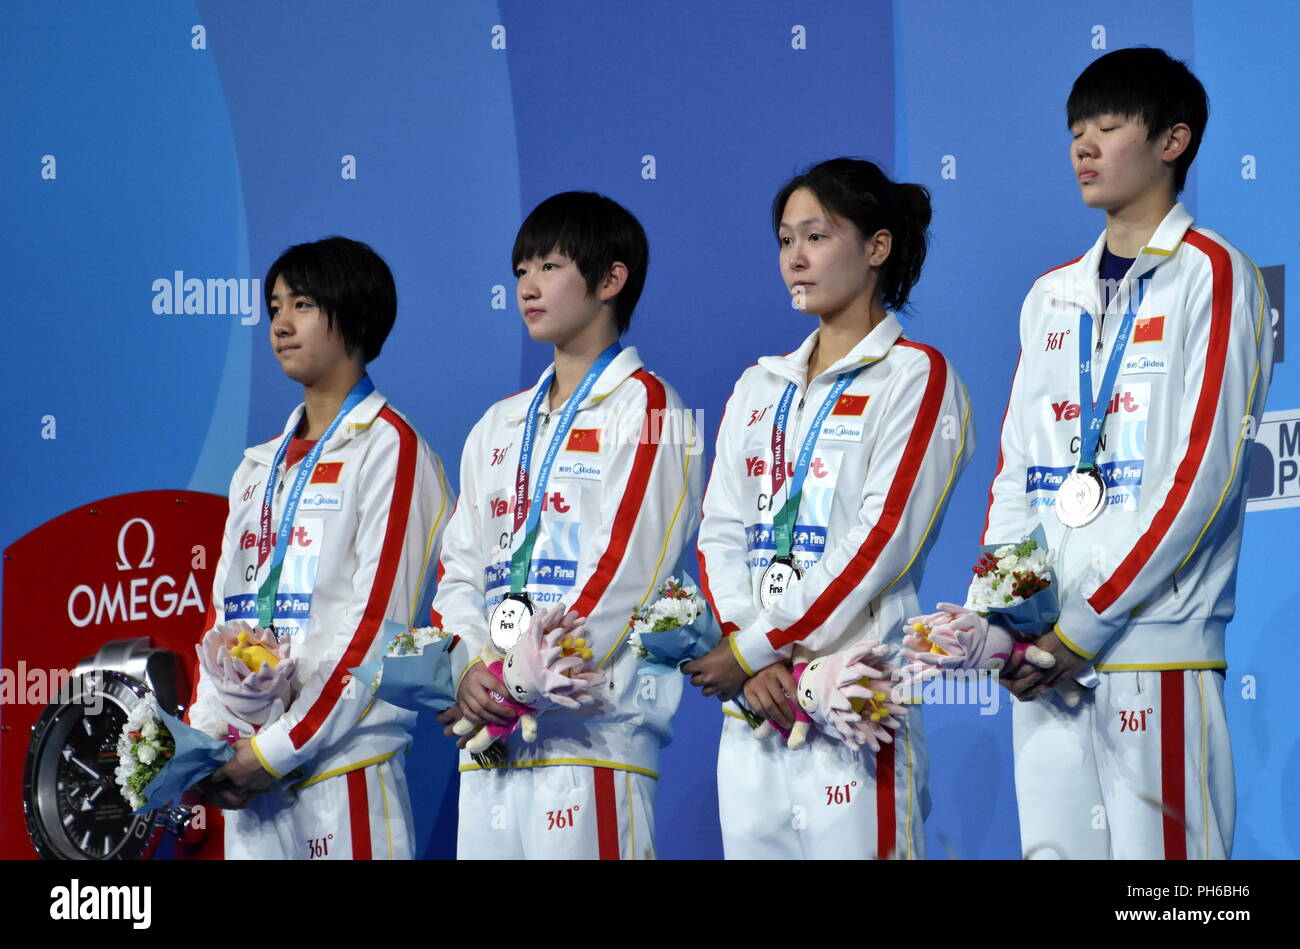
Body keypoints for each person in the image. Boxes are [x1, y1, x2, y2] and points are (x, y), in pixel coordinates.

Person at [985, 47, 1273, 859]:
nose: (1083, 146)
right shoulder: (1051, 294)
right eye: (1076, 130)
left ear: (1173, 140)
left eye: (1108, 127)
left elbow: (1202, 481)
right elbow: (1018, 471)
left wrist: (1082, 624)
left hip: (1154, 652)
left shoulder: (1214, 276)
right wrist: (1015, 617)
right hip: (1044, 661)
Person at [685, 158, 974, 859]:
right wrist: (749, 659)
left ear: (878, 248)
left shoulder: (915, 376)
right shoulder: (758, 385)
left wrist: (754, 647)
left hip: (856, 709)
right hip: (756, 709)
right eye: (785, 240)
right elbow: (720, 531)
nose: (795, 258)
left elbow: (881, 543)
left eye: (815, 236)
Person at [431, 191, 702, 859]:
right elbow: (460, 567)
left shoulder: (650, 407)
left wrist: (525, 674)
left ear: (611, 279)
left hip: (592, 738)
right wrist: (467, 666)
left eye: (549, 266)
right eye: (521, 269)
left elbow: (629, 573)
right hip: (490, 738)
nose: (528, 285)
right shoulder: (497, 423)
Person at [190, 236, 451, 859]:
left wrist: (277, 748)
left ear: (355, 315)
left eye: (302, 304)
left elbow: (375, 632)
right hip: (247, 785)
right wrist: (209, 743)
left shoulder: (391, 450)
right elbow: (223, 620)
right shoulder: (256, 469)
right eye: (275, 305)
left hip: (340, 774)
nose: (280, 323)